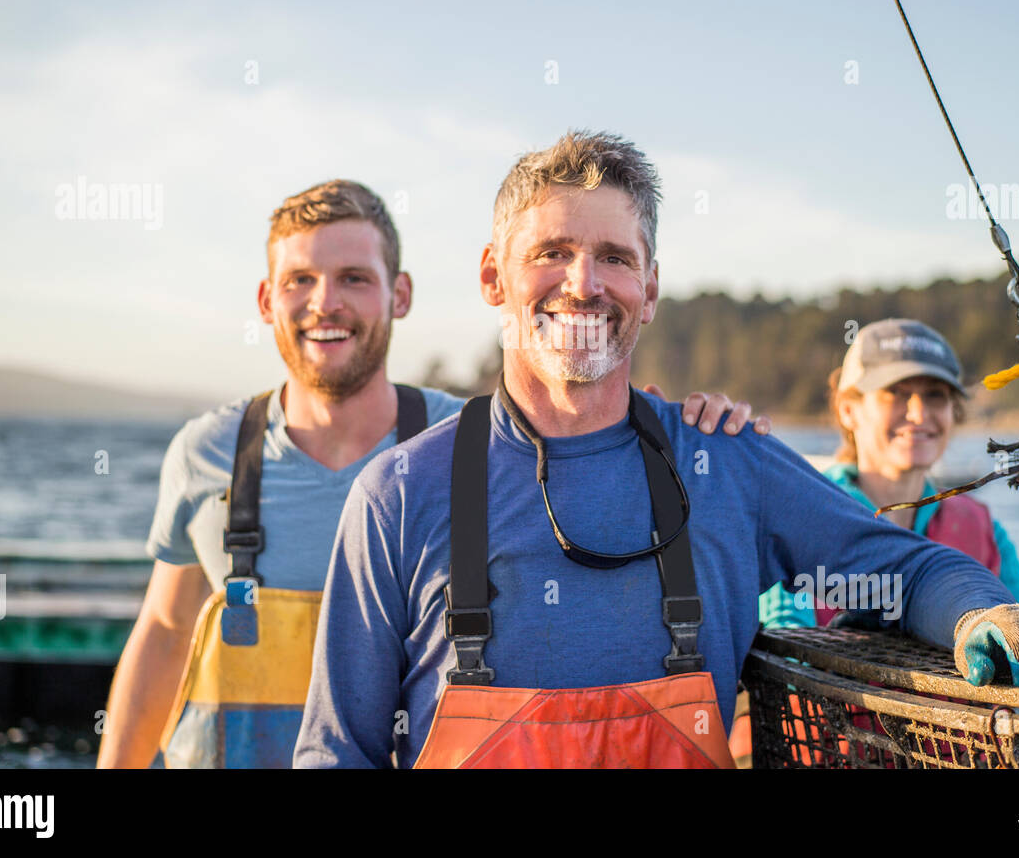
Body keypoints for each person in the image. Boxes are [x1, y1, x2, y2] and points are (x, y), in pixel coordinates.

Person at [294, 130, 1019, 769]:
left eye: (615, 258)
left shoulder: (726, 460)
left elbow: (912, 568)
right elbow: (338, 753)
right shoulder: (398, 492)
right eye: (551, 253)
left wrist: (983, 613)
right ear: (492, 278)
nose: (584, 283)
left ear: (650, 289)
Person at [96, 178, 766, 769]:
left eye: (355, 277)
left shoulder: (463, 456)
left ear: (401, 294)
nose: (325, 302)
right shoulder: (206, 453)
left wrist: (677, 428)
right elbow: (162, 631)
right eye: (300, 280)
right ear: (268, 299)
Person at [758, 318, 1019, 631]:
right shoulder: (800, 517)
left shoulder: (984, 528)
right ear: (849, 409)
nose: (918, 415)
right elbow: (787, 645)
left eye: (935, 395)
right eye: (896, 392)